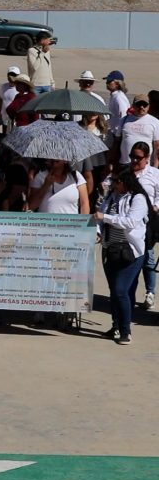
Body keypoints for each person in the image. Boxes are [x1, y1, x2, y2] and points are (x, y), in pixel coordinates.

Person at [96, 167, 149, 345]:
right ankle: (116, 326)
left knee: (121, 290)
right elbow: (99, 218)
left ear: (126, 181)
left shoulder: (138, 199)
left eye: (116, 181)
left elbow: (130, 222)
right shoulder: (111, 197)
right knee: (114, 291)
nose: (113, 184)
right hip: (110, 250)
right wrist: (98, 231)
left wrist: (106, 217)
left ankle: (126, 331)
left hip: (130, 252)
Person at [128, 141, 159, 309]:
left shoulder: (154, 174)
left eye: (138, 158)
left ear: (147, 158)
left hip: (148, 223)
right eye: (132, 156)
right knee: (131, 259)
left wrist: (156, 206)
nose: (134, 160)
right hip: (129, 223)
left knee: (148, 258)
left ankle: (150, 292)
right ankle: (129, 295)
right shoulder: (126, 172)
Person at [112, 93, 159, 167]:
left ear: (149, 106)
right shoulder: (124, 120)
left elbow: (157, 146)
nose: (141, 107)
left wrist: (155, 166)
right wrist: (111, 162)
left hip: (144, 165)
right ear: (133, 106)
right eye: (138, 104)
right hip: (125, 163)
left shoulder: (155, 122)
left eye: (144, 105)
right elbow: (116, 142)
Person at [0, 66, 21, 131]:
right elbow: (0, 100)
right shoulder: (4, 86)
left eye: (14, 75)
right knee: (4, 135)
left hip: (15, 121)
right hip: (5, 119)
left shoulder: (20, 89)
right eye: (10, 74)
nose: (11, 77)